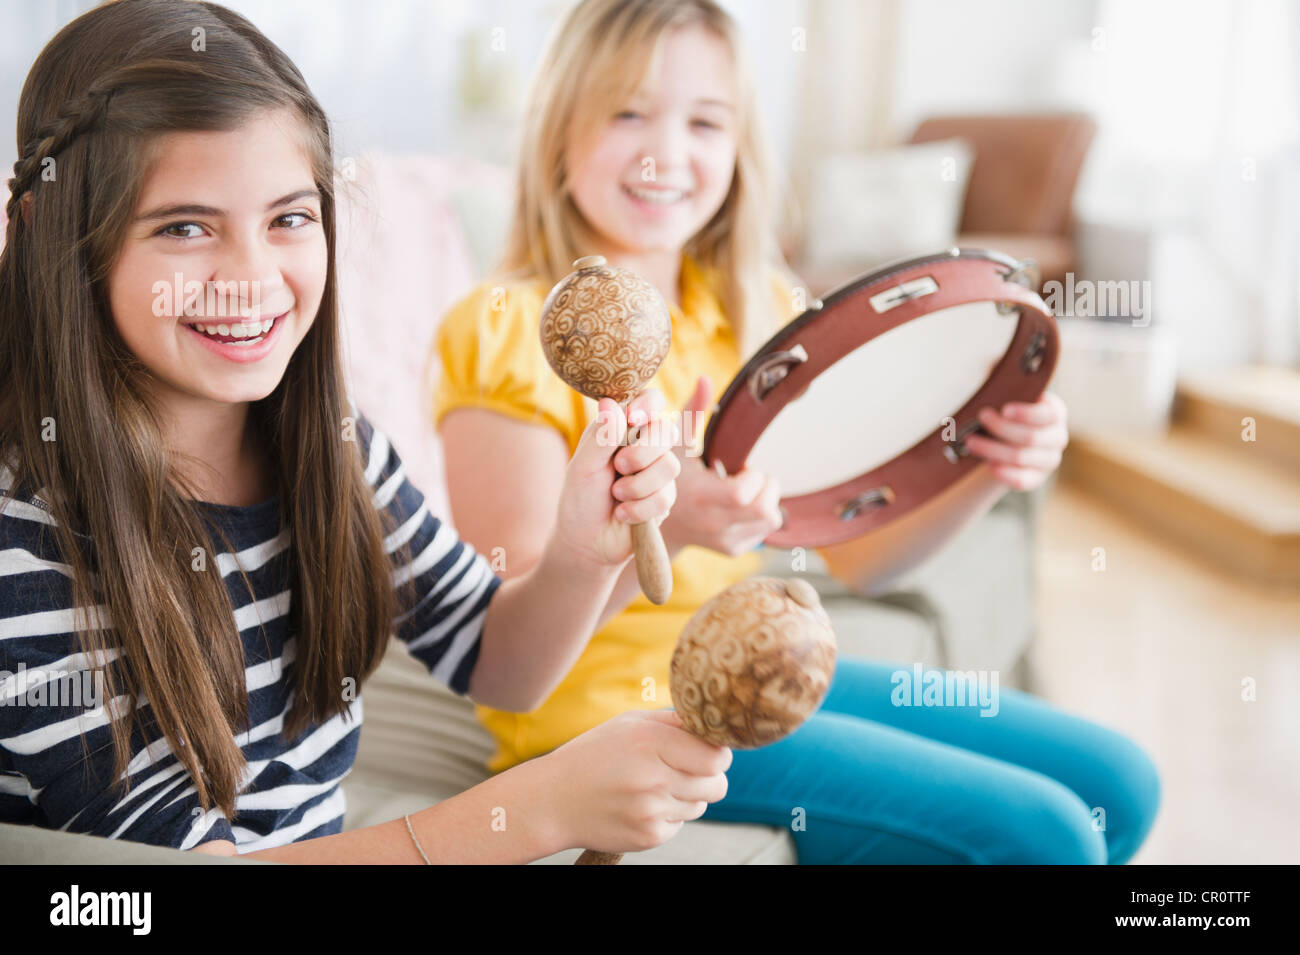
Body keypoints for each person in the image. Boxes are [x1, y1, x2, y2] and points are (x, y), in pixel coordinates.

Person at [0, 0, 730, 864]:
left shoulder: (333, 446)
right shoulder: (30, 540)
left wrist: (580, 549)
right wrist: (538, 809)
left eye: (289, 218)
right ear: (58, 237)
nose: (252, 277)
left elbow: (497, 661)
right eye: (185, 227)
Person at [432, 0, 1161, 863]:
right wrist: (668, 526)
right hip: (605, 715)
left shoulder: (758, 313)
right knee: (1046, 836)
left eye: (706, 121)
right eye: (627, 112)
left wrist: (987, 470)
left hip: (753, 660)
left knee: (1119, 783)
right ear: (558, 130)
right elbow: (505, 644)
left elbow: (858, 557)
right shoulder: (505, 323)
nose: (668, 152)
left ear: (739, 152)